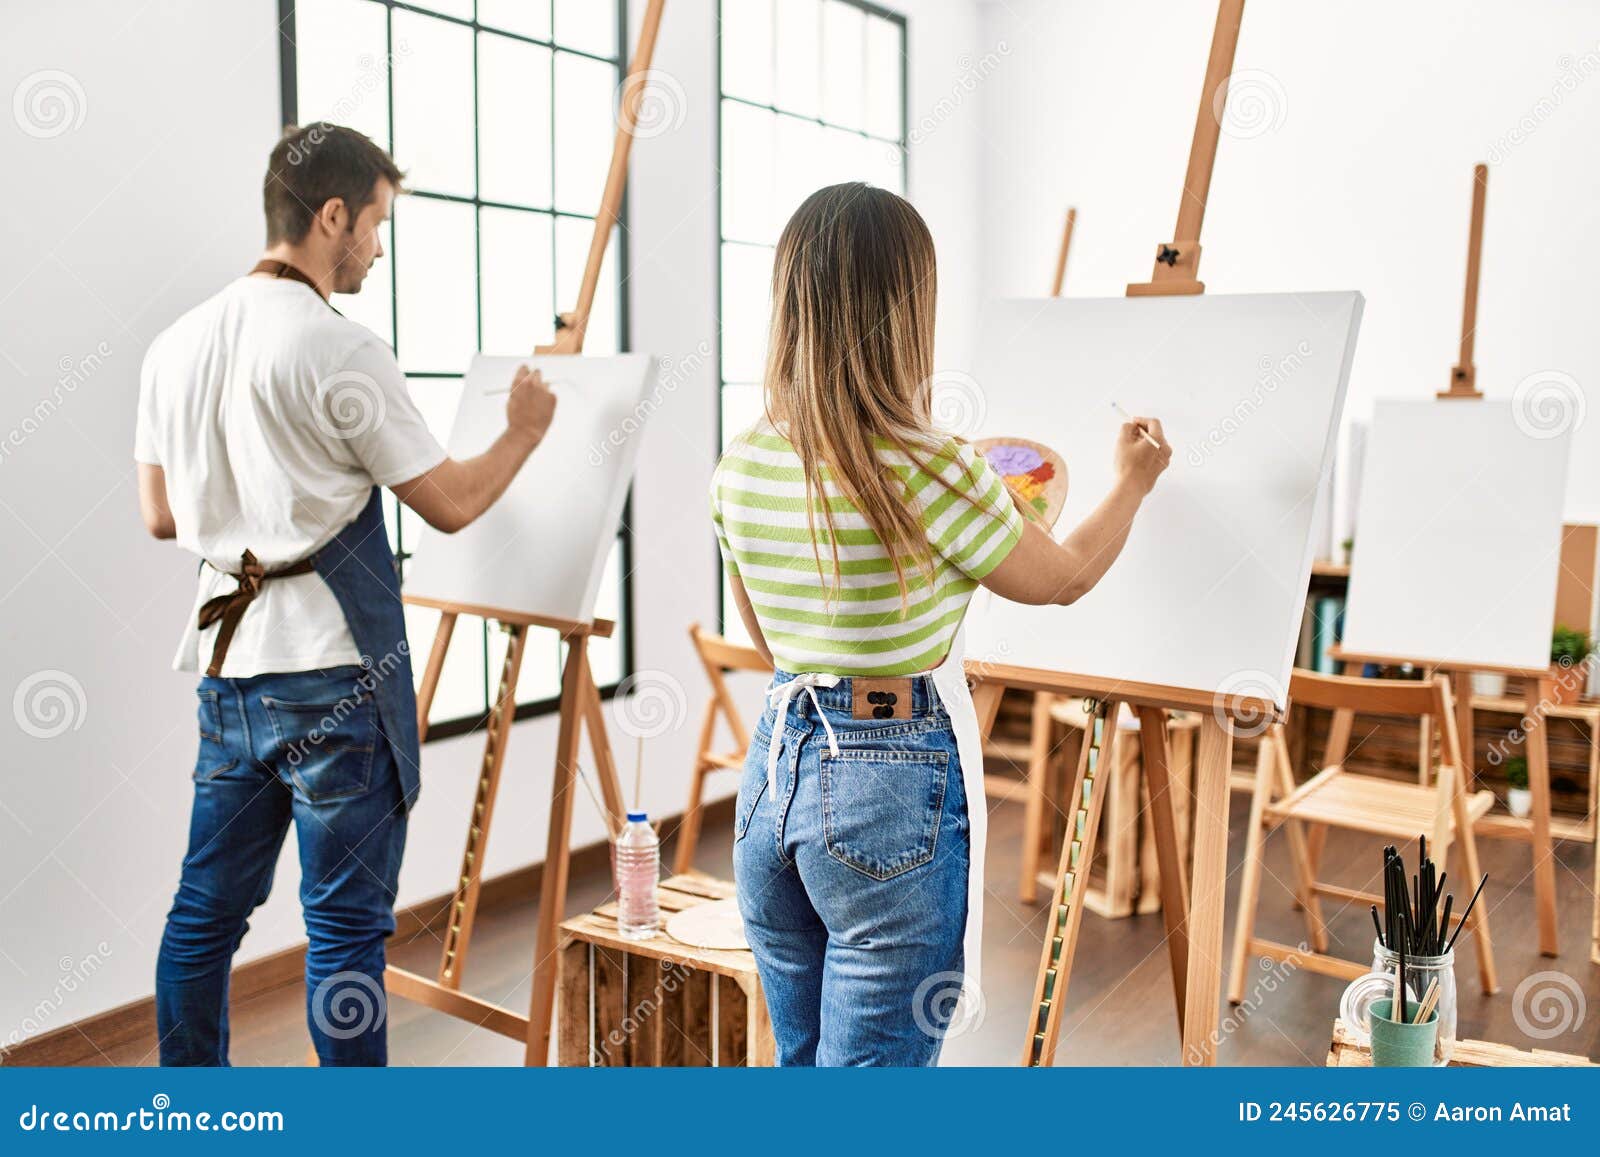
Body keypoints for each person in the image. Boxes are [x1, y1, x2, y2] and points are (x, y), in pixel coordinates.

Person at [710, 183, 1172, 1066]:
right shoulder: (935, 467)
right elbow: (1065, 578)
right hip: (886, 785)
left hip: (773, 778)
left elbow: (775, 647)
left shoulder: (742, 462)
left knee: (800, 1064)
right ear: (908, 309)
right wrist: (1132, 482)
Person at [135, 123, 557, 1066]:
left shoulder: (176, 344)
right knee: (343, 935)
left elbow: (160, 515)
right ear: (332, 216)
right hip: (334, 676)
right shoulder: (340, 349)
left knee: (203, 915)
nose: (378, 247)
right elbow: (449, 503)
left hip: (229, 673)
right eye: (376, 224)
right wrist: (524, 432)